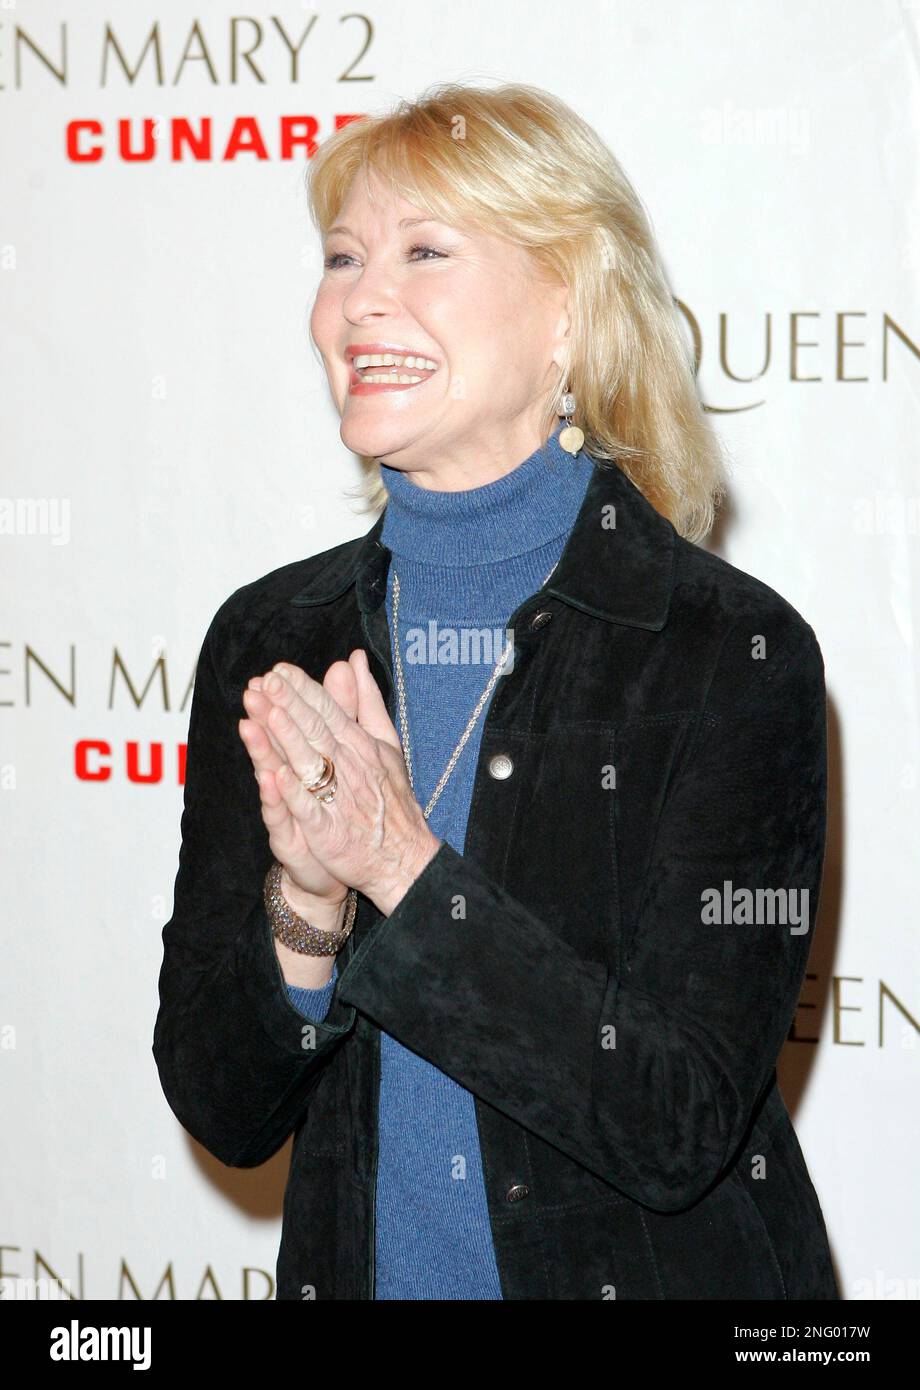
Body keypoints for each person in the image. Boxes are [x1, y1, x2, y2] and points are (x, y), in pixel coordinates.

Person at [153, 81, 839, 1300]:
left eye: (425, 251)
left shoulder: (726, 653)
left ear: (568, 316)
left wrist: (398, 871)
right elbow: (225, 1106)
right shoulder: (273, 638)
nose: (361, 298)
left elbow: (673, 1121)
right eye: (343, 256)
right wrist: (307, 901)